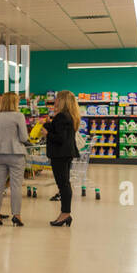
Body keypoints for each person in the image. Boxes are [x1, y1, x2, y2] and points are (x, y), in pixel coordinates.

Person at [0, 91, 29, 226]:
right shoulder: (19, 116)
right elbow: (24, 138)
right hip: (16, 154)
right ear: (15, 102)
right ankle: (16, 215)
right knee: (16, 185)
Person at [44, 90, 81, 227]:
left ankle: (65, 214)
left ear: (63, 100)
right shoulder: (68, 116)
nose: (55, 101)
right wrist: (49, 124)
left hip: (59, 154)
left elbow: (59, 138)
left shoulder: (61, 117)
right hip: (65, 154)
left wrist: (47, 132)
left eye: (57, 98)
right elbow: (61, 133)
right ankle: (65, 213)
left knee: (63, 184)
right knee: (64, 183)